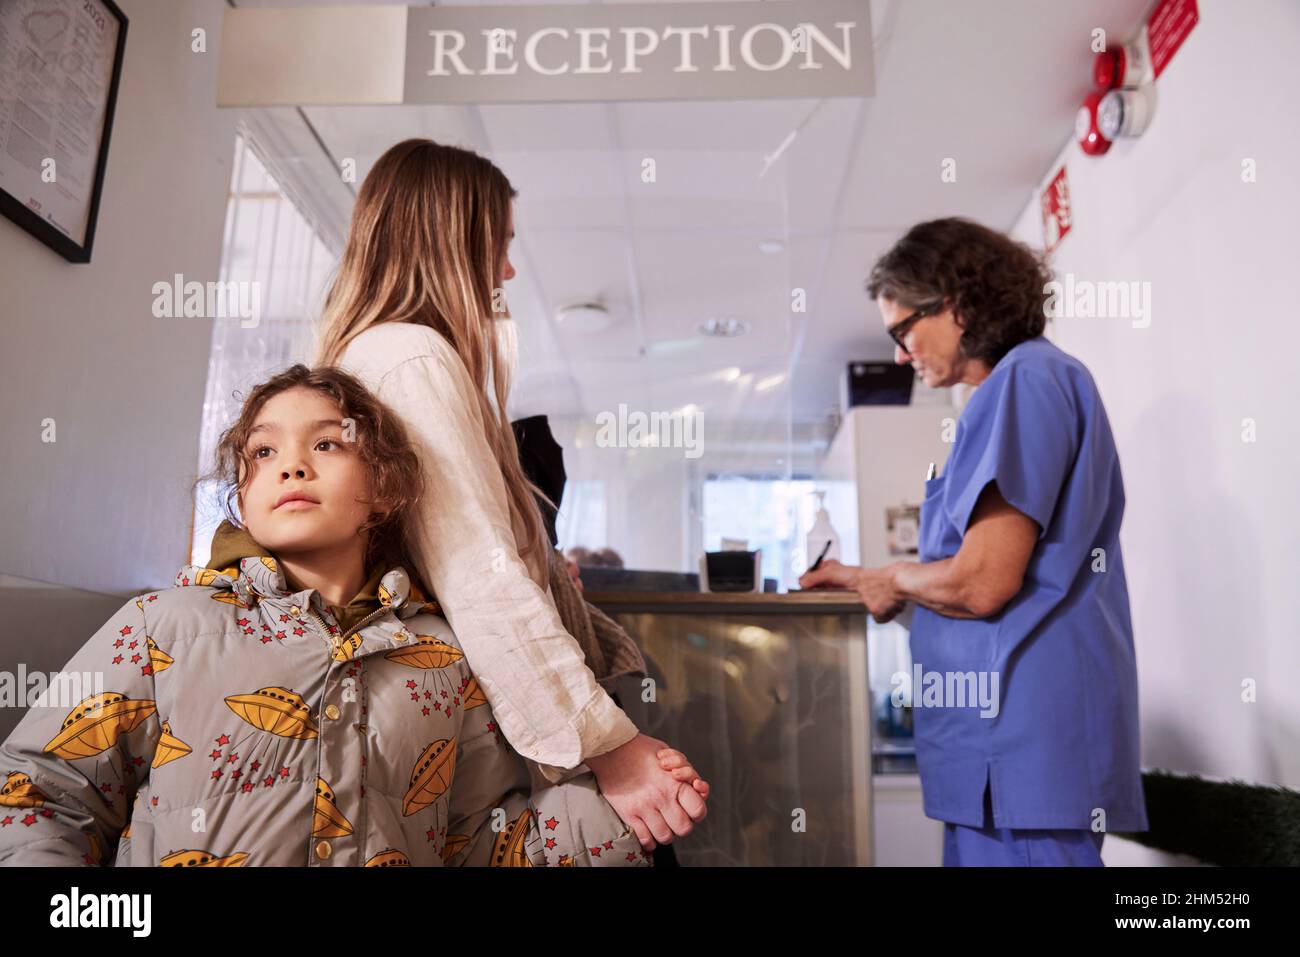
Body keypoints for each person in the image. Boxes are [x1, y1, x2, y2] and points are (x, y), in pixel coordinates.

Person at [0, 366, 668, 866]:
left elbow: (481, 839)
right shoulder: (164, 625)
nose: (290, 463)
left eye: (326, 445)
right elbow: (39, 793)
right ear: (243, 492)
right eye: (263, 452)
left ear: (382, 487)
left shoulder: (441, 654)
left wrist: (617, 813)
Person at [315, 139, 707, 852]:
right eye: (498, 244)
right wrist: (610, 746)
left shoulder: (381, 353)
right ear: (451, 243)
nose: (509, 268)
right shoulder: (411, 357)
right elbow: (474, 567)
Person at [800, 218, 1148, 866]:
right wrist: (871, 580)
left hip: (1022, 755)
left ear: (956, 304)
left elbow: (983, 581)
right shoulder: (1011, 392)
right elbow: (982, 584)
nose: (901, 354)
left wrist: (897, 577)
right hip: (1000, 763)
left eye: (903, 330)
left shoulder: (1026, 381)